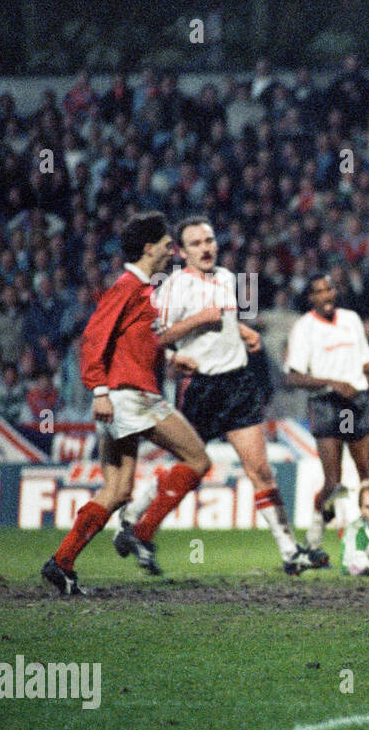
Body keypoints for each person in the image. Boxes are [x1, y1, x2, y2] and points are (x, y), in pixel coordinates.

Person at [119, 216, 326, 574]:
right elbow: (157, 338)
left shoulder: (229, 278)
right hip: (202, 388)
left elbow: (224, 320)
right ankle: (137, 516)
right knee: (190, 468)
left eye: (210, 240)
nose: (206, 248)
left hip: (238, 384)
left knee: (260, 470)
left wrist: (243, 331)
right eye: (196, 243)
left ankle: (290, 552)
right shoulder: (171, 288)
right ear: (181, 252)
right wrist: (198, 321)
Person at [42, 211, 212, 592]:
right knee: (198, 459)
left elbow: (132, 342)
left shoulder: (142, 289)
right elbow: (93, 339)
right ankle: (142, 530)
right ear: (149, 248)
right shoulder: (127, 286)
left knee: (118, 490)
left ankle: (62, 561)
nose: (173, 250)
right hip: (130, 397)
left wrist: (170, 358)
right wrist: (99, 390)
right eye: (168, 244)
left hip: (122, 397)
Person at [283, 271, 369, 558]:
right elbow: (293, 377)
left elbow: (363, 361)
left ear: (335, 291)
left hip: (354, 402)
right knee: (333, 484)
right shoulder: (305, 328)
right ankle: (315, 541)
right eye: (318, 291)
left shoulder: (351, 319)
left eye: (329, 289)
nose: (326, 295)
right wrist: (332, 382)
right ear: (311, 298)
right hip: (328, 405)